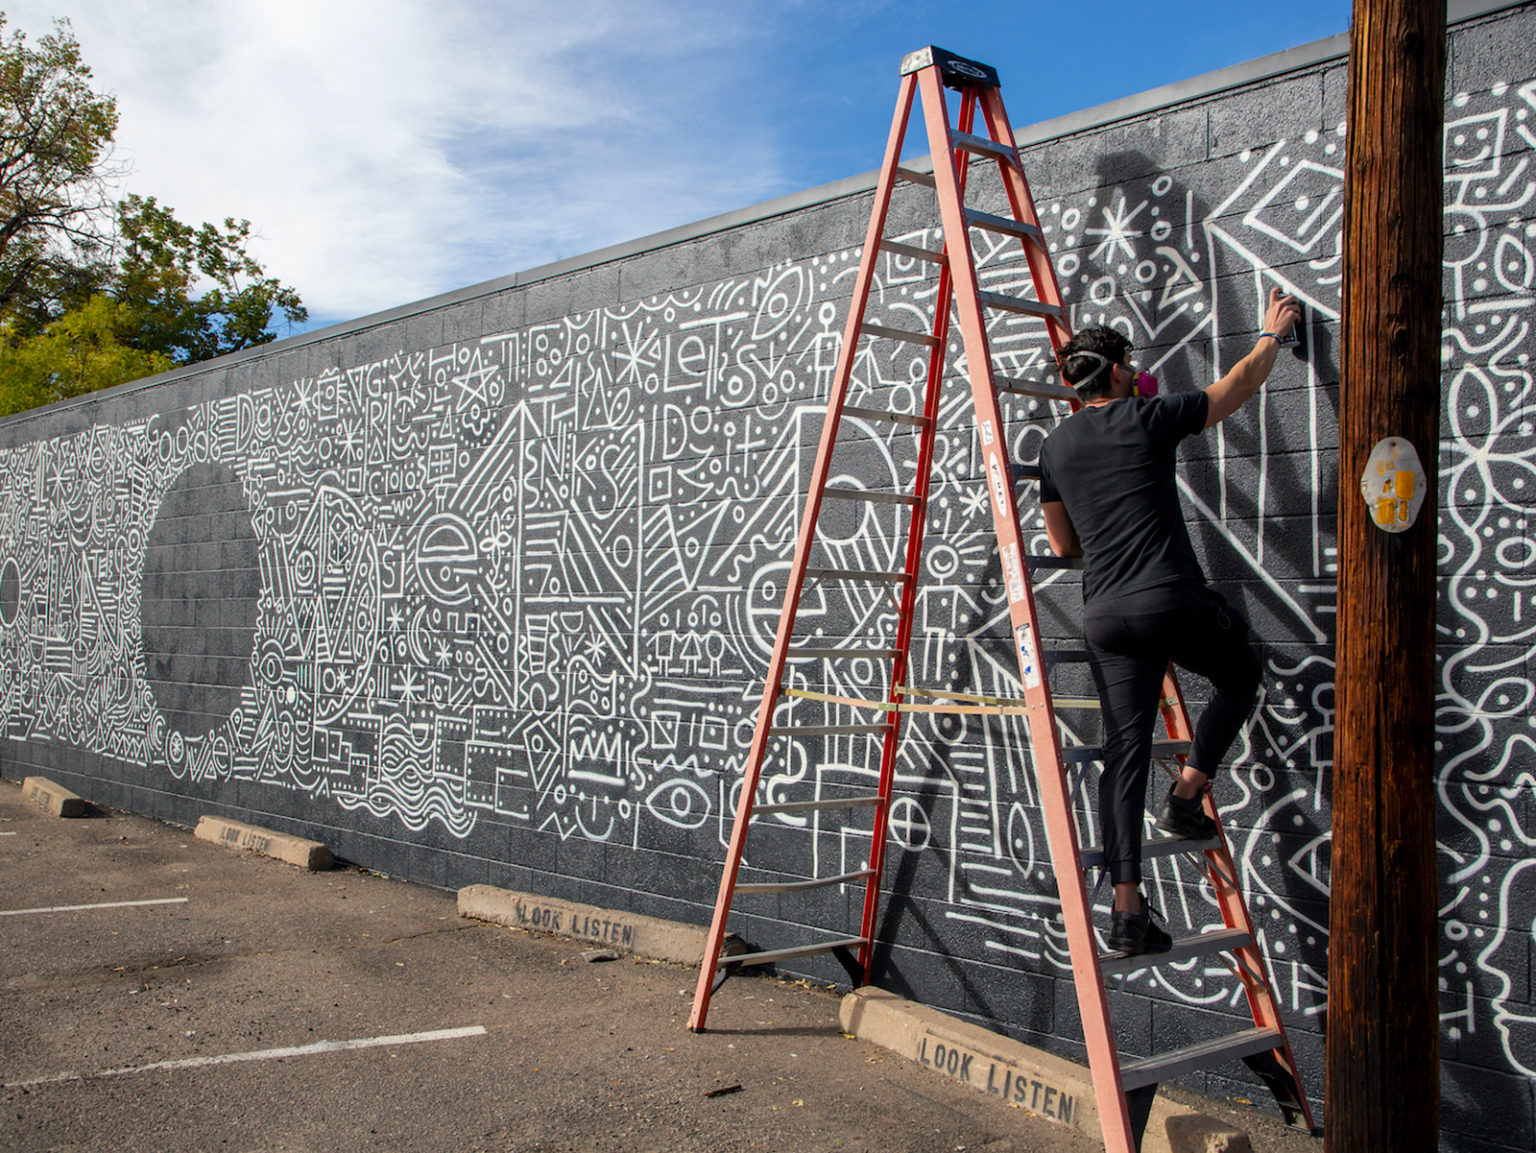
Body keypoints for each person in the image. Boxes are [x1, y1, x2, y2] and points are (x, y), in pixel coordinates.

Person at [1036, 287, 1302, 955]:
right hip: (1169, 600)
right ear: (1120, 371)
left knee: (1123, 755)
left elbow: (1063, 545)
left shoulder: (1054, 447)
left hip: (1107, 616)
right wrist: (1271, 333)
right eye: (1132, 363)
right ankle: (1187, 794)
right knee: (1241, 675)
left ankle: (1127, 912)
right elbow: (1236, 386)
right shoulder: (1149, 417)